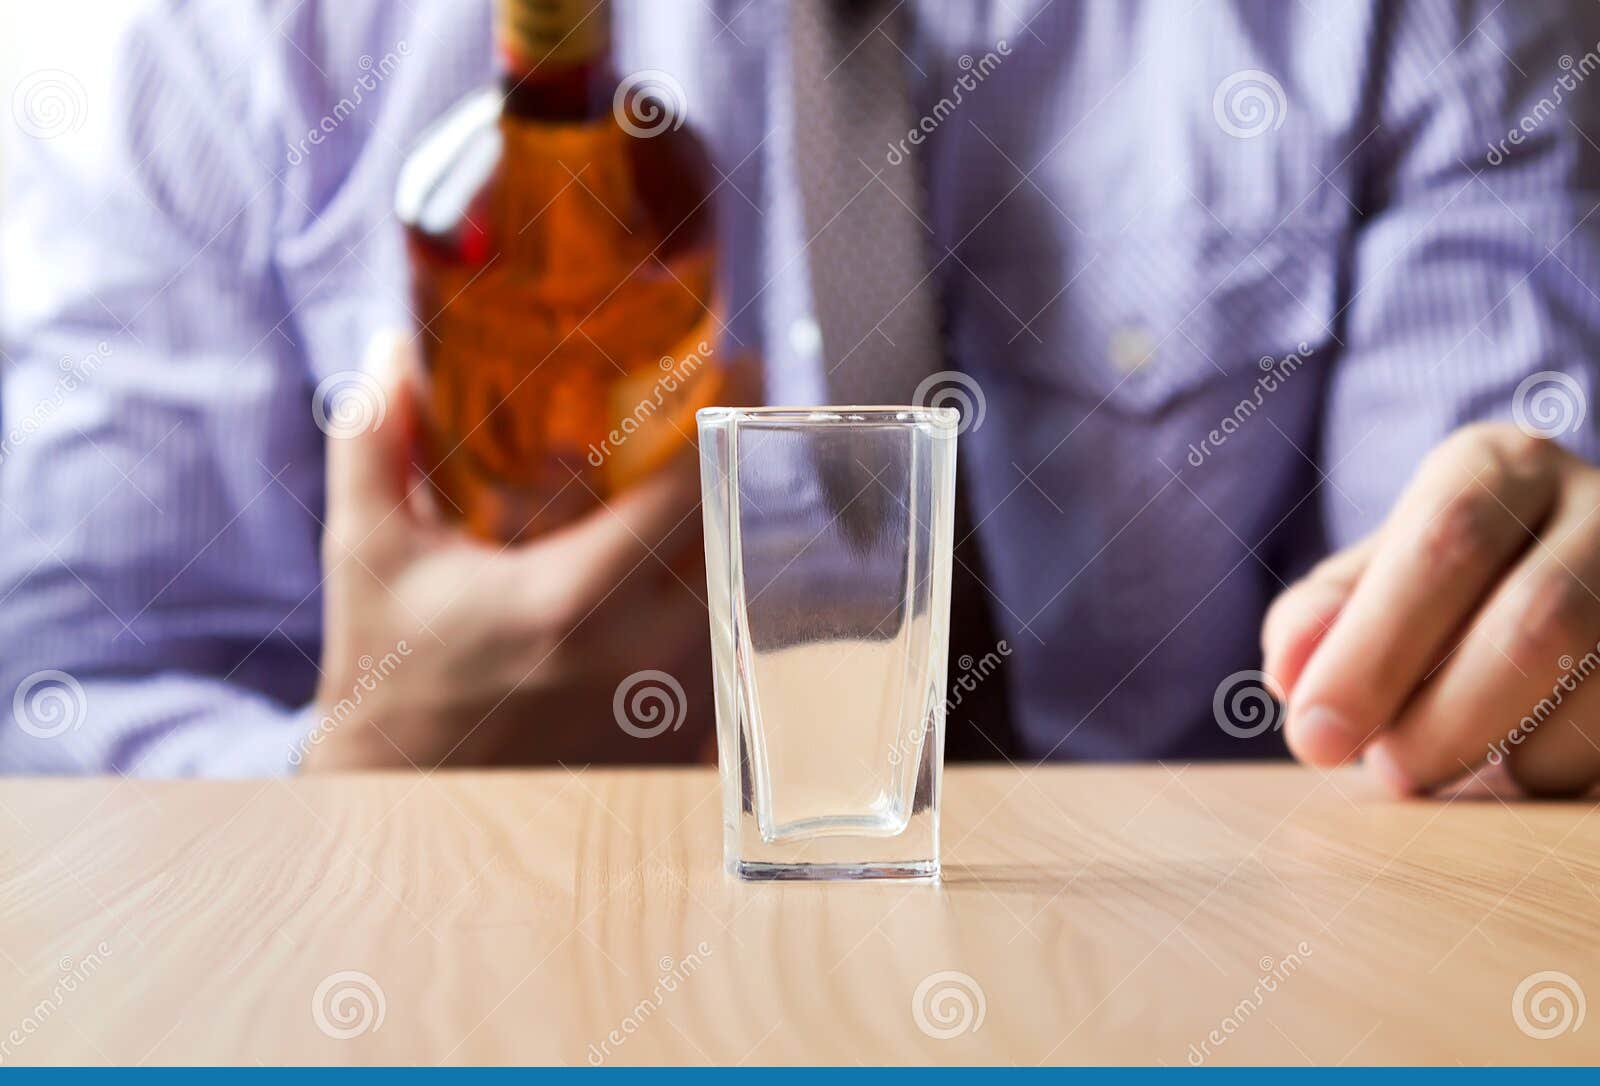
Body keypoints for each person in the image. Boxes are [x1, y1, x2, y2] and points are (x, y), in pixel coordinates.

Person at [2, 0, 1599, 798]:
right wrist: (359, 779)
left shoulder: (1420, 24)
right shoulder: (206, 47)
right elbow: (51, 713)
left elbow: (1472, 649)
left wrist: (1523, 645)